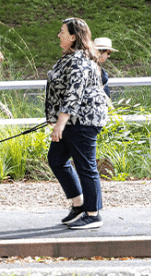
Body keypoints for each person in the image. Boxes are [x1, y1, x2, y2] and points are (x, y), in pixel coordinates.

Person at [45, 17, 109, 230]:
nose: (58, 35)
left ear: (72, 37)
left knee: (86, 166)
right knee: (56, 159)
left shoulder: (79, 60)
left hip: (83, 120)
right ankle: (80, 204)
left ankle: (93, 214)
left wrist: (59, 124)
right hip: (72, 120)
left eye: (62, 31)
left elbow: (74, 94)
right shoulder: (69, 58)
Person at [93, 37, 117, 103]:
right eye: (108, 53)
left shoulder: (95, 66)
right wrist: (112, 111)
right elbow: (101, 93)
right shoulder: (92, 69)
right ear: (100, 52)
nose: (109, 56)